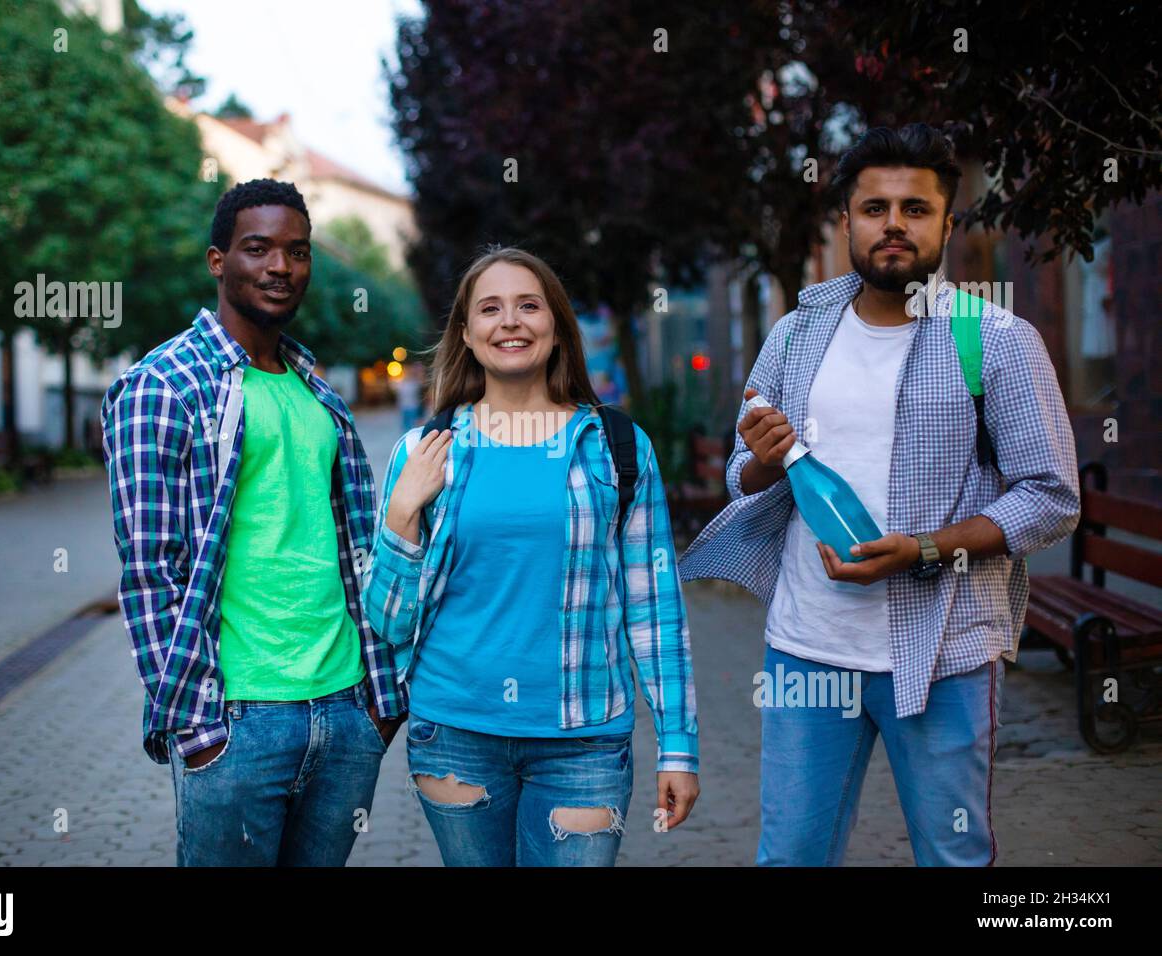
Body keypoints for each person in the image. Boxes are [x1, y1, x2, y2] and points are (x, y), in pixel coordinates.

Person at [680, 125, 1080, 866]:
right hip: (806, 650)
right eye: (874, 207)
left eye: (915, 208)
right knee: (790, 856)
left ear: (946, 224)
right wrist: (763, 463)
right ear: (846, 222)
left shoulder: (993, 338)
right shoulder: (795, 335)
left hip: (943, 650)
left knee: (951, 857)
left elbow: (1051, 495)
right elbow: (741, 471)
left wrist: (926, 549)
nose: (893, 223)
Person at [101, 178, 404, 866]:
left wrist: (379, 704)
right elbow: (149, 574)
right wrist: (196, 724)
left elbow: (355, 551)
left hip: (347, 710)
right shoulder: (165, 385)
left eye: (297, 252)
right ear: (218, 261)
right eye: (258, 248)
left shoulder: (318, 394)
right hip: (237, 720)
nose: (280, 267)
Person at [365, 247, 699, 866]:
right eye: (490, 309)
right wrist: (401, 515)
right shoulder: (424, 450)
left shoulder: (615, 447)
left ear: (555, 326)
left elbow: (653, 609)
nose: (510, 321)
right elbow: (388, 623)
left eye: (528, 305)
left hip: (585, 742)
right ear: (467, 335)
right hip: (455, 735)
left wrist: (678, 745)